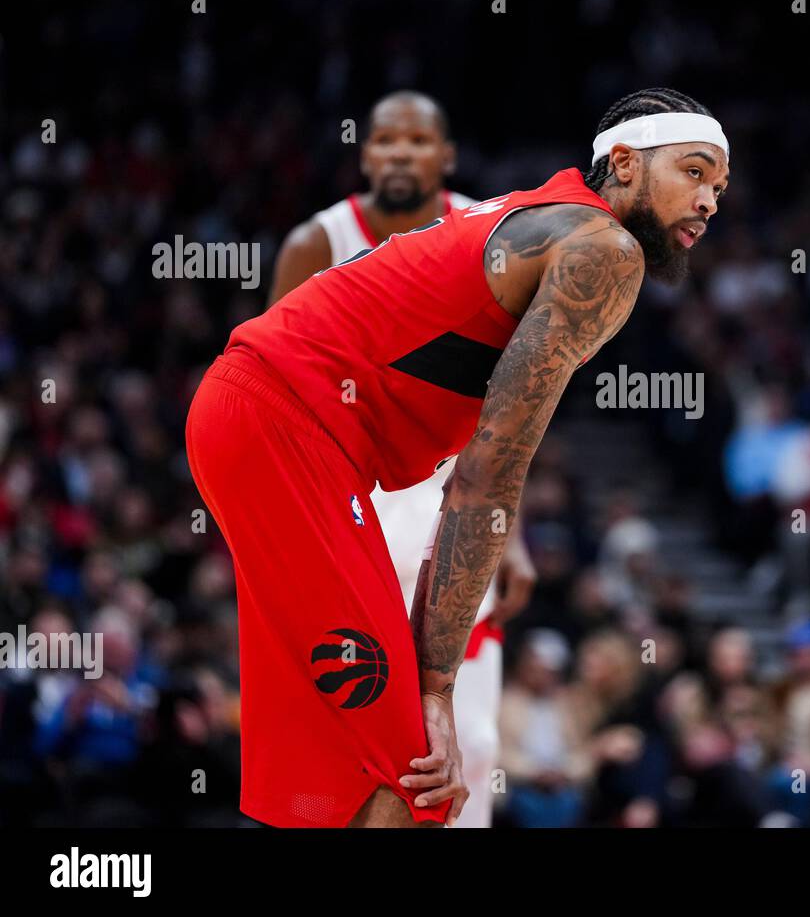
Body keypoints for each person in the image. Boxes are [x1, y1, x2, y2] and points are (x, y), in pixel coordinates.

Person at [186, 87, 729, 826]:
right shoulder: (605, 250)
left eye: (720, 188)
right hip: (289, 427)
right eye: (695, 173)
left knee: (341, 786)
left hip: (275, 427)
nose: (709, 201)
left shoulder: (537, 214)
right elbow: (488, 474)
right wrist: (436, 686)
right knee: (418, 776)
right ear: (625, 164)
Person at [265, 91, 524, 828]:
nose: (400, 154)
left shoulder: (494, 230)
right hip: (350, 494)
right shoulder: (316, 242)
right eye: (385, 141)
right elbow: (269, 385)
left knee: (470, 739)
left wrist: (517, 531)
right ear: (364, 154)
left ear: (445, 155)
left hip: (457, 495)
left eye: (418, 142)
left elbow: (517, 406)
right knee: (364, 726)